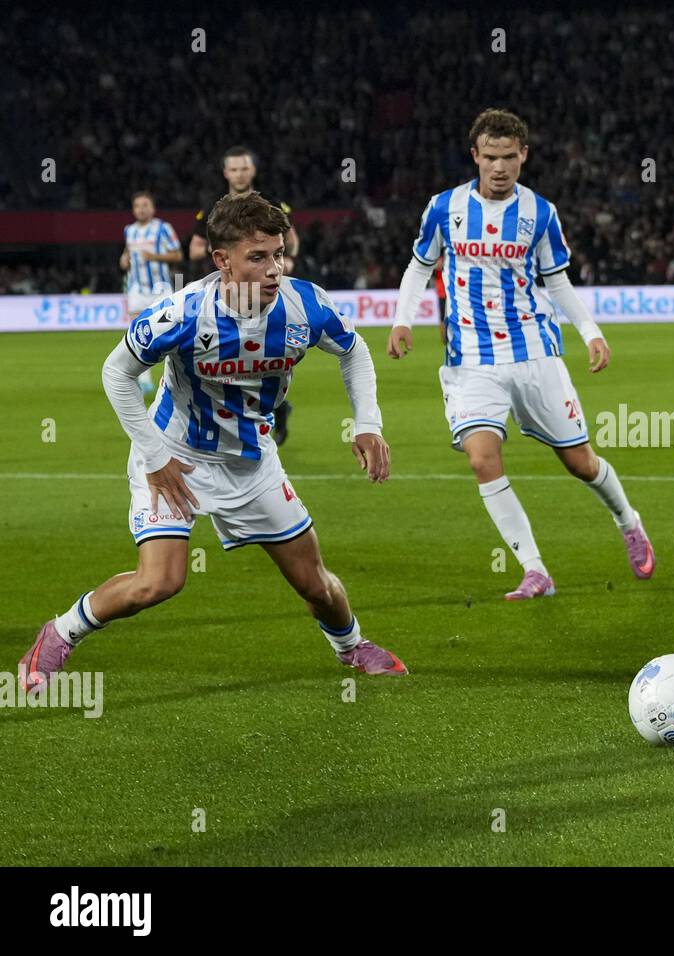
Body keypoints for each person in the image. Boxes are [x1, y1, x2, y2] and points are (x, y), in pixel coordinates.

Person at [20, 193, 406, 693]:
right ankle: (60, 632)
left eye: (279, 254)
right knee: (158, 582)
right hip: (175, 456)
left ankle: (350, 645)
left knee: (314, 582)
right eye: (258, 257)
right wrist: (156, 458)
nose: (274, 270)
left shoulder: (305, 304)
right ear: (222, 260)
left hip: (251, 461)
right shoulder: (182, 314)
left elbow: (354, 352)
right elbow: (116, 373)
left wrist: (367, 423)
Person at [388, 108, 654, 600]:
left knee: (580, 463)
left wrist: (590, 331)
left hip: (535, 351)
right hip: (470, 358)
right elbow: (419, 267)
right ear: (475, 156)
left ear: (523, 155)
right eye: (490, 157)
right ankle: (535, 570)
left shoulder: (541, 213)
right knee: (482, 459)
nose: (500, 167)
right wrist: (403, 318)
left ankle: (628, 519)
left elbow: (557, 281)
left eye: (509, 157)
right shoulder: (444, 208)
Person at [190, 146, 300, 444]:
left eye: (244, 168)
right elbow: (196, 248)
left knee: (261, 351)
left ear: (252, 170)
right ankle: (261, 410)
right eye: (233, 169)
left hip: (262, 292)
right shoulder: (213, 208)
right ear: (226, 173)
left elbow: (291, 241)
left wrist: (285, 261)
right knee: (227, 354)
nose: (239, 174)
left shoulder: (270, 205)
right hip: (225, 292)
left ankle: (269, 407)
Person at [121, 190, 182, 396]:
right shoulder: (129, 230)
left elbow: (177, 255)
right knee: (137, 333)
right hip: (137, 288)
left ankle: (172, 378)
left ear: (153, 208)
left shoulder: (163, 228)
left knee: (169, 333)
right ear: (133, 209)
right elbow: (127, 254)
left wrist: (154, 256)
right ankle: (144, 380)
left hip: (160, 288)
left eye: (145, 205)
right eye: (138, 205)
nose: (141, 209)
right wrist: (124, 260)